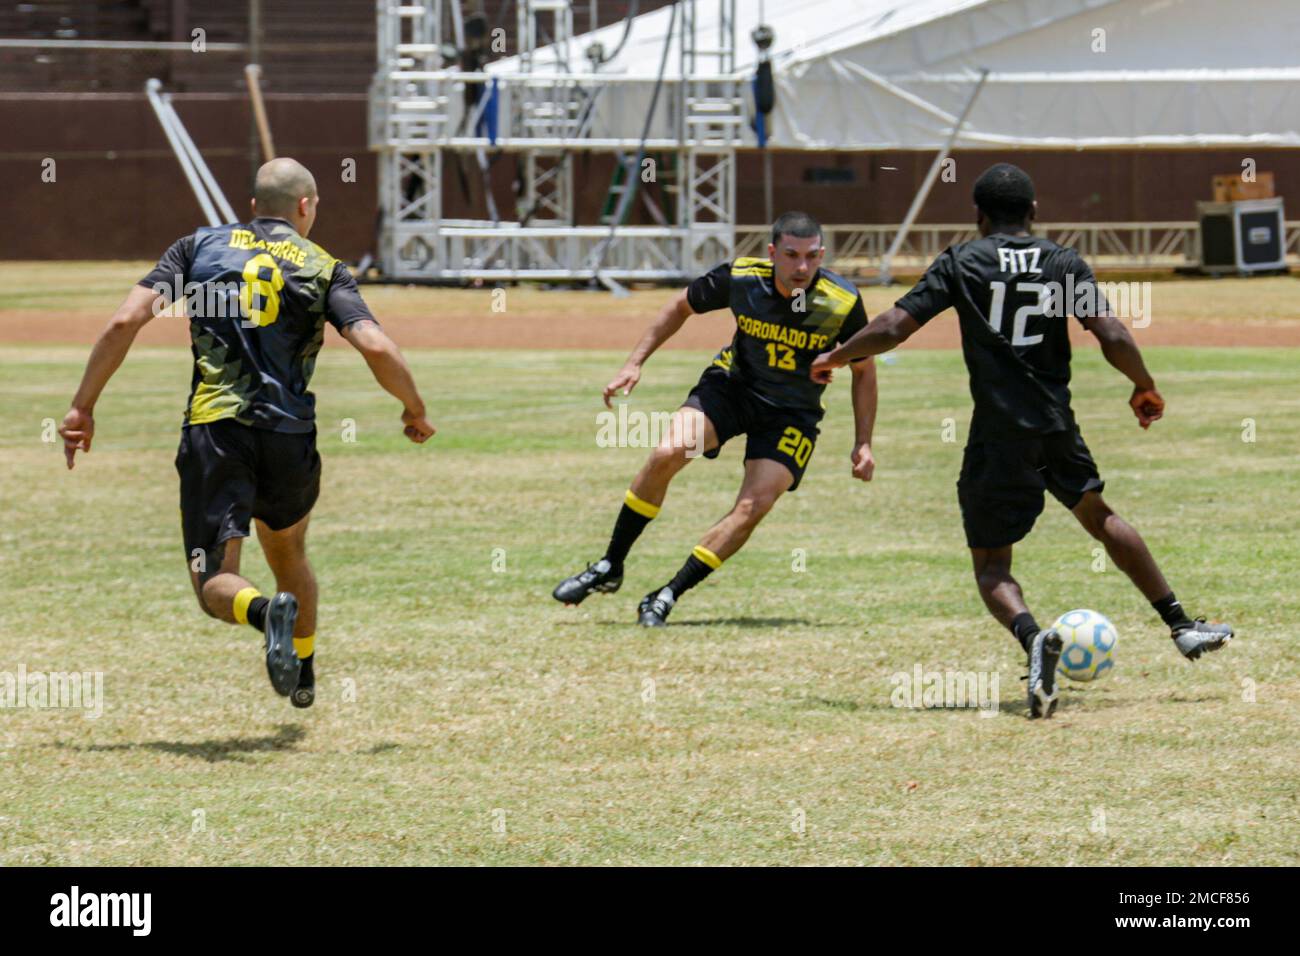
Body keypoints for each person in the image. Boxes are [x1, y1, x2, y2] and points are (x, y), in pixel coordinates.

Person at [811, 163, 1233, 718]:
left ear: (978, 215)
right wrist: (1143, 385)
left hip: (998, 434)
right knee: (1101, 517)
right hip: (1055, 424)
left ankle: (1034, 638)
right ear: (1034, 212)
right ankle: (1181, 626)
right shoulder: (1061, 261)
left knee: (992, 566)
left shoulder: (963, 260)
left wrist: (836, 355)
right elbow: (1111, 331)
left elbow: (893, 326)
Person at [59, 158, 435, 708]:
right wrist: (413, 408)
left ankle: (264, 613)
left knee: (215, 582)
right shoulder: (323, 265)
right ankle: (303, 669)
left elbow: (124, 321)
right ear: (306, 207)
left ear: (254, 206)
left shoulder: (197, 247)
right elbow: (374, 344)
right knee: (289, 554)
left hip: (217, 431)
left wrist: (81, 407)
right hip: (289, 436)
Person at [553, 212, 878, 626]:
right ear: (773, 252)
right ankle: (609, 566)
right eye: (792, 255)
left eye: (812, 256)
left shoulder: (841, 301)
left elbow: (864, 370)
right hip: (733, 388)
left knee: (754, 505)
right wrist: (634, 363)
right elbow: (680, 305)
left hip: (791, 413)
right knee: (667, 452)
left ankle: (667, 595)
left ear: (822, 255)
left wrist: (863, 441)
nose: (801, 267)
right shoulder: (742, 278)